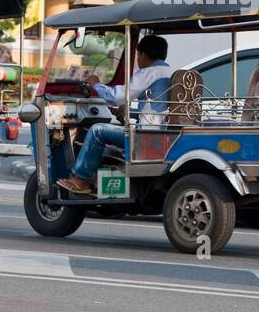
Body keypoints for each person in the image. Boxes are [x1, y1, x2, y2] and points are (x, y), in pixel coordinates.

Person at [56, 35, 175, 195]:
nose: (138, 59)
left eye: (138, 55)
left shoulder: (148, 73)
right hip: (163, 134)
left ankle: (81, 179)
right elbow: (156, 106)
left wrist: (96, 84)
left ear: (145, 55)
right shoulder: (170, 72)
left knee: (97, 131)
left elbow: (116, 96)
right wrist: (126, 110)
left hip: (146, 137)